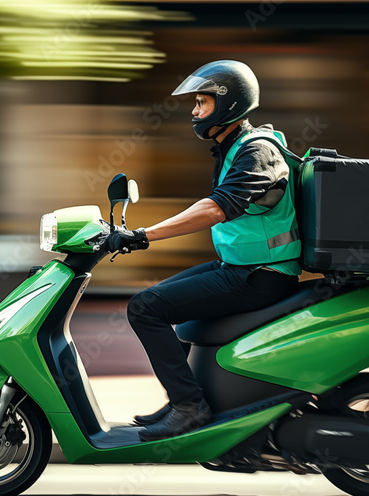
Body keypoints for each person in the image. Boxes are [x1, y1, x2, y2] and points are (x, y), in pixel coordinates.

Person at [106, 60, 302, 442]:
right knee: (162, 300)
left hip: (263, 275)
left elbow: (215, 208)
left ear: (229, 104)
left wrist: (144, 235)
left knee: (145, 307)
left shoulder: (258, 151)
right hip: (244, 267)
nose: (195, 111)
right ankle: (182, 397)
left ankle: (188, 408)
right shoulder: (233, 147)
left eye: (202, 102)